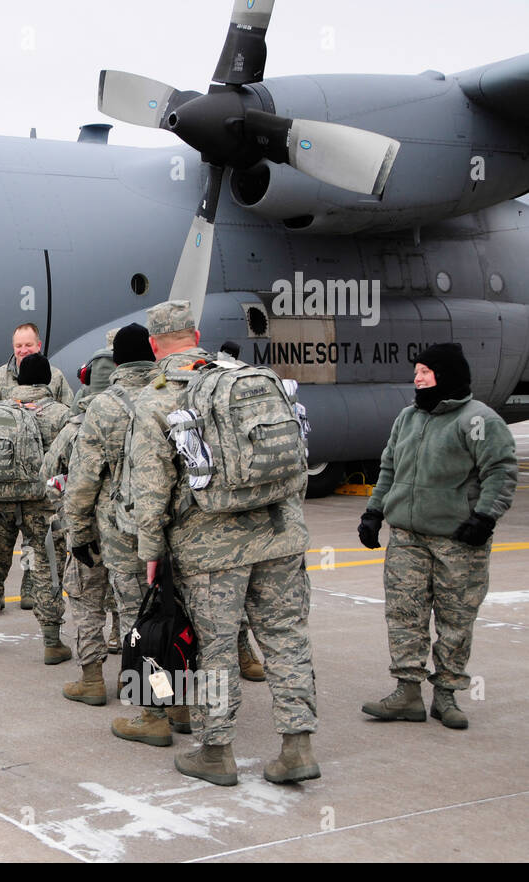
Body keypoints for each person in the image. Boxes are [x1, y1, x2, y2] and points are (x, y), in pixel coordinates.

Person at [128, 300, 318, 786]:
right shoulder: (247, 379)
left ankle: (217, 751)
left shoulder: (156, 399)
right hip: (280, 533)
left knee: (216, 648)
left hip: (210, 548)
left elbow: (150, 491)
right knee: (286, 638)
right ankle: (297, 747)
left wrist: (150, 552)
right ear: (197, 335)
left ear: (154, 346)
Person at [357, 342, 517, 729]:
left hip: (457, 540)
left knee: (455, 618)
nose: (417, 378)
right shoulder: (408, 418)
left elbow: (501, 471)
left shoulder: (479, 420)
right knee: (404, 613)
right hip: (408, 537)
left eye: (424, 372)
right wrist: (374, 512)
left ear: (444, 376)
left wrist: (484, 518)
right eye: (416, 372)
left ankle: (445, 696)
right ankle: (407, 692)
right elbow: (389, 468)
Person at [56, 324, 160, 710]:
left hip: (111, 526)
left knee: (85, 595)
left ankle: (93, 679)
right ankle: (165, 695)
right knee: (151, 612)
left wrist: (78, 532)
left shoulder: (105, 405)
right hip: (164, 527)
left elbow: (83, 480)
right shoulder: (173, 393)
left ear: (116, 359)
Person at [0, 353, 71, 663]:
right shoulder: (60, 415)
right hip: (43, 506)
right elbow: (71, 465)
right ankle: (52, 642)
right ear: (48, 379)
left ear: (18, 379)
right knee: (47, 571)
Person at [0, 324, 74, 609]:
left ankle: (27, 586)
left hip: (36, 481)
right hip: (6, 477)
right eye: (18, 346)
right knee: (0, 551)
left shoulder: (54, 377)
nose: (22, 351)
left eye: (27, 345)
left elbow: (66, 413)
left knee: (27, 546)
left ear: (39, 345)